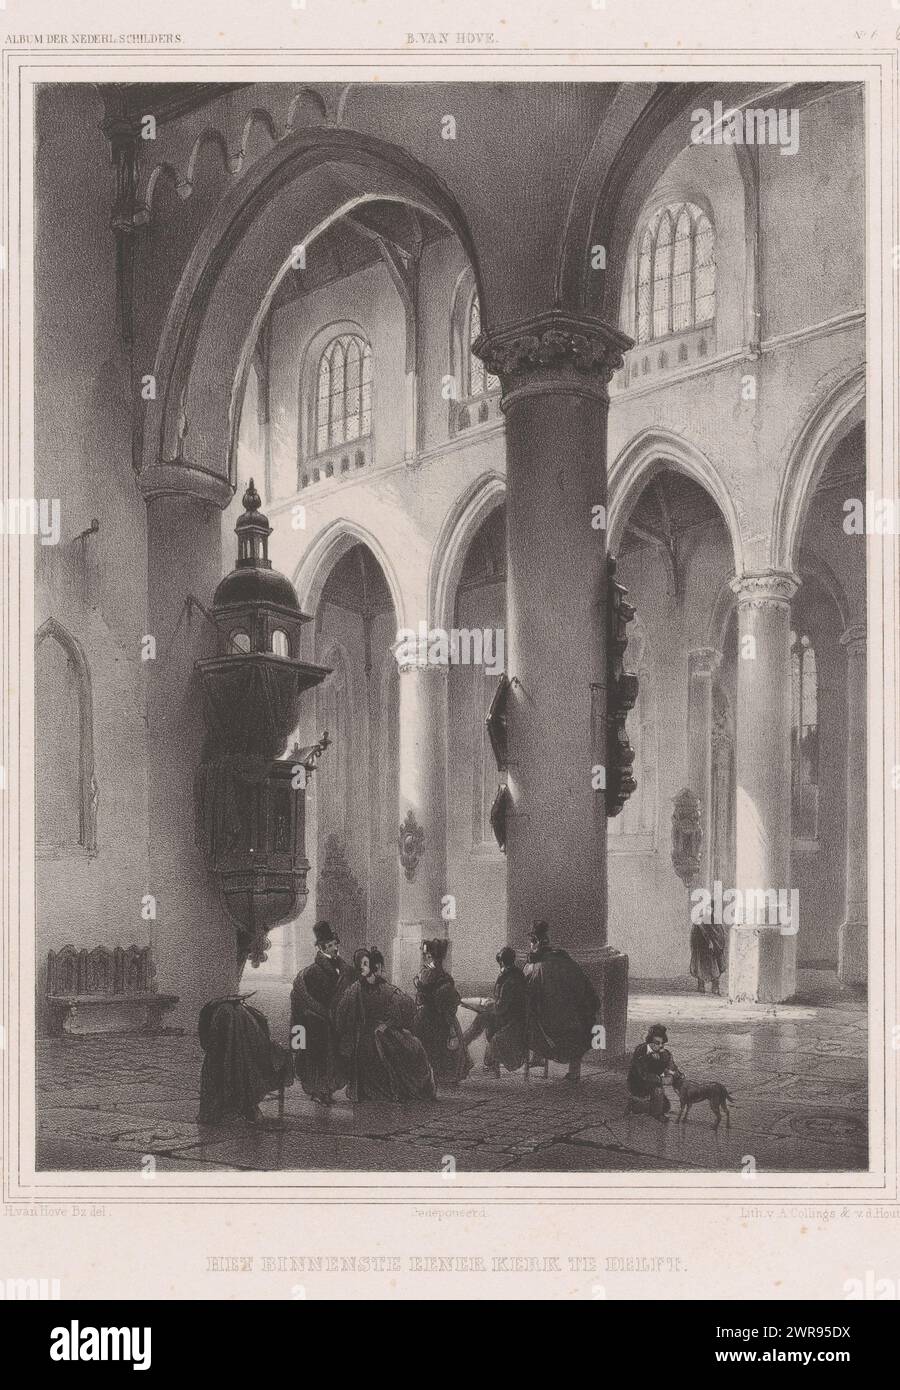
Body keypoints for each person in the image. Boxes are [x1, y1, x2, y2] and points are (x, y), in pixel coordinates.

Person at [334, 948, 436, 1102]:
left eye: (366, 964)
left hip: (385, 1032)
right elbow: (342, 1014)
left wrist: (386, 1025)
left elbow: (400, 1012)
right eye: (360, 964)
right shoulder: (354, 990)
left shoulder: (387, 989)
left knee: (413, 1048)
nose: (362, 968)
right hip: (363, 1036)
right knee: (371, 1051)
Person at [197, 993, 293, 1125]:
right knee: (277, 1058)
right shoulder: (238, 1014)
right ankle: (246, 1106)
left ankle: (243, 1107)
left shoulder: (225, 1014)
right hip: (246, 1059)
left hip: (230, 1058)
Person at [523, 920, 599, 1083]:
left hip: (548, 1028)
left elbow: (527, 999)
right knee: (580, 1023)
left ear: (535, 943)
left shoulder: (532, 968)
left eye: (531, 942)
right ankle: (574, 1072)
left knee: (531, 1017)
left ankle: (538, 1056)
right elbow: (587, 993)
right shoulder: (565, 961)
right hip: (575, 1025)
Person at [289, 920, 351, 1105]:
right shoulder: (313, 972)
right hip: (314, 1025)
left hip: (331, 1023)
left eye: (335, 945)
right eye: (330, 946)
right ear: (322, 948)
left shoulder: (342, 967)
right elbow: (309, 1002)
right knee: (316, 1060)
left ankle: (327, 1092)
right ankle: (318, 1093)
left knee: (332, 1060)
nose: (334, 949)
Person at [413, 938, 473, 1087]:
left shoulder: (425, 973)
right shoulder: (440, 976)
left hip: (426, 1016)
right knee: (449, 1038)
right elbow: (451, 1000)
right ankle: (445, 1076)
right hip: (438, 1019)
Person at [462, 946, 528, 1075]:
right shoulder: (517, 975)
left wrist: (488, 1004)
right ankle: (468, 1048)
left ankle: (463, 1046)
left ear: (502, 962)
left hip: (512, 1022)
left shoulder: (509, 981)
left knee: (481, 1019)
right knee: (482, 1019)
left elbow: (500, 1008)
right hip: (510, 1017)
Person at [627, 1023, 678, 1122]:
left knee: (666, 1106)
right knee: (658, 1091)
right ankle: (657, 1115)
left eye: (662, 1043)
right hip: (638, 1083)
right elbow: (642, 1074)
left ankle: (639, 1106)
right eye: (657, 1043)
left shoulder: (665, 1053)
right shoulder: (640, 1051)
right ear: (650, 1042)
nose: (661, 1046)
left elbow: (672, 1068)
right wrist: (660, 1079)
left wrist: (672, 1074)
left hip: (654, 1084)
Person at [690, 919, 726, 994]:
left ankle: (715, 986)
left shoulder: (716, 922)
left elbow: (720, 934)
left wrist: (715, 943)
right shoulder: (699, 922)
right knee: (700, 965)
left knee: (715, 966)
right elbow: (694, 936)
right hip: (701, 949)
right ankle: (701, 985)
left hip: (713, 950)